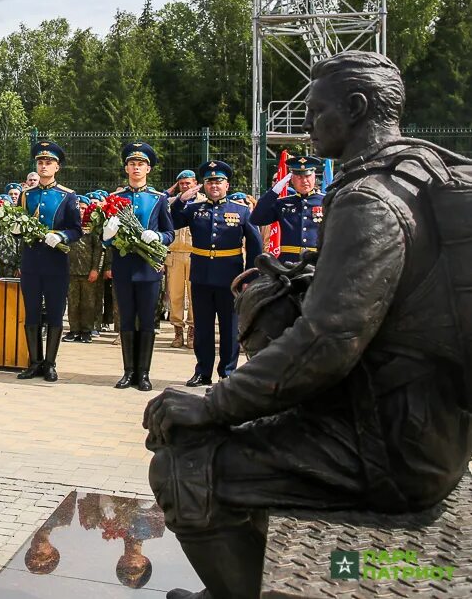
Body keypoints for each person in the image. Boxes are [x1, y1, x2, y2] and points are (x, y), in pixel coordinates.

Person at [147, 50, 472, 599]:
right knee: (242, 438)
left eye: (316, 111)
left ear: (357, 107)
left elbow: (326, 343)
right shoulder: (415, 173)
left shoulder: (369, 200)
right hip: (426, 427)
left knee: (184, 464)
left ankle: (241, 590)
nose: (307, 125)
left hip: (389, 447)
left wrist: (212, 404)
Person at [169, 160, 262, 387]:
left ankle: (228, 372)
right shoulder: (193, 209)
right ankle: (203, 371)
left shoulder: (240, 211)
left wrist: (249, 278)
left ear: (227, 185)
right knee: (202, 327)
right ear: (204, 185)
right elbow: (172, 221)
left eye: (219, 181)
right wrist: (181, 200)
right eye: (210, 182)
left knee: (230, 329)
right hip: (201, 276)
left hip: (230, 278)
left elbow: (255, 245)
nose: (214, 186)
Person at [107, 143, 174, 391]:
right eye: (132, 164)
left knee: (146, 321)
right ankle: (128, 372)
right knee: (125, 319)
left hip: (148, 269)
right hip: (124, 267)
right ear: (126, 168)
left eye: (141, 164)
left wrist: (157, 237)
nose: (136, 168)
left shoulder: (158, 199)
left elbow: (170, 233)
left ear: (149, 169)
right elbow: (106, 237)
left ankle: (143, 373)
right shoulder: (115, 198)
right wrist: (107, 234)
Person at [16, 142, 83, 383]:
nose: (44, 166)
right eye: (40, 162)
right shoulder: (26, 195)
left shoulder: (67, 196)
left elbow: (77, 229)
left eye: (48, 163)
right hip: (32, 261)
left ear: (57, 167)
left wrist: (62, 236)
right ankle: (34, 362)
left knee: (55, 312)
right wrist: (15, 229)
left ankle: (50, 363)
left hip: (56, 261)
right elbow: (18, 226)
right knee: (32, 311)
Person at [250, 155, 324, 265]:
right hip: (288, 262)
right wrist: (274, 191)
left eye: (307, 176)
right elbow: (256, 219)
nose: (304, 181)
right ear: (291, 180)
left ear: (314, 177)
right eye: (299, 177)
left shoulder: (325, 201)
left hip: (317, 261)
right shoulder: (282, 203)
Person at [163, 170, 197, 349]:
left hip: (194, 254)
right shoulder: (171, 203)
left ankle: (192, 330)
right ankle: (177, 331)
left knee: (194, 295)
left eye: (188, 183)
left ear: (195, 183)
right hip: (174, 254)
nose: (185, 186)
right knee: (175, 295)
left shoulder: (202, 202)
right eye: (182, 184)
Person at [66, 197, 104, 344]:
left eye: (83, 208)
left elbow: (98, 250)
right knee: (73, 303)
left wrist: (95, 269)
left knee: (88, 303)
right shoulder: (69, 226)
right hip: (71, 271)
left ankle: (86, 331)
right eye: (78, 208)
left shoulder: (93, 227)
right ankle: (74, 330)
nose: (80, 211)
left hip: (88, 271)